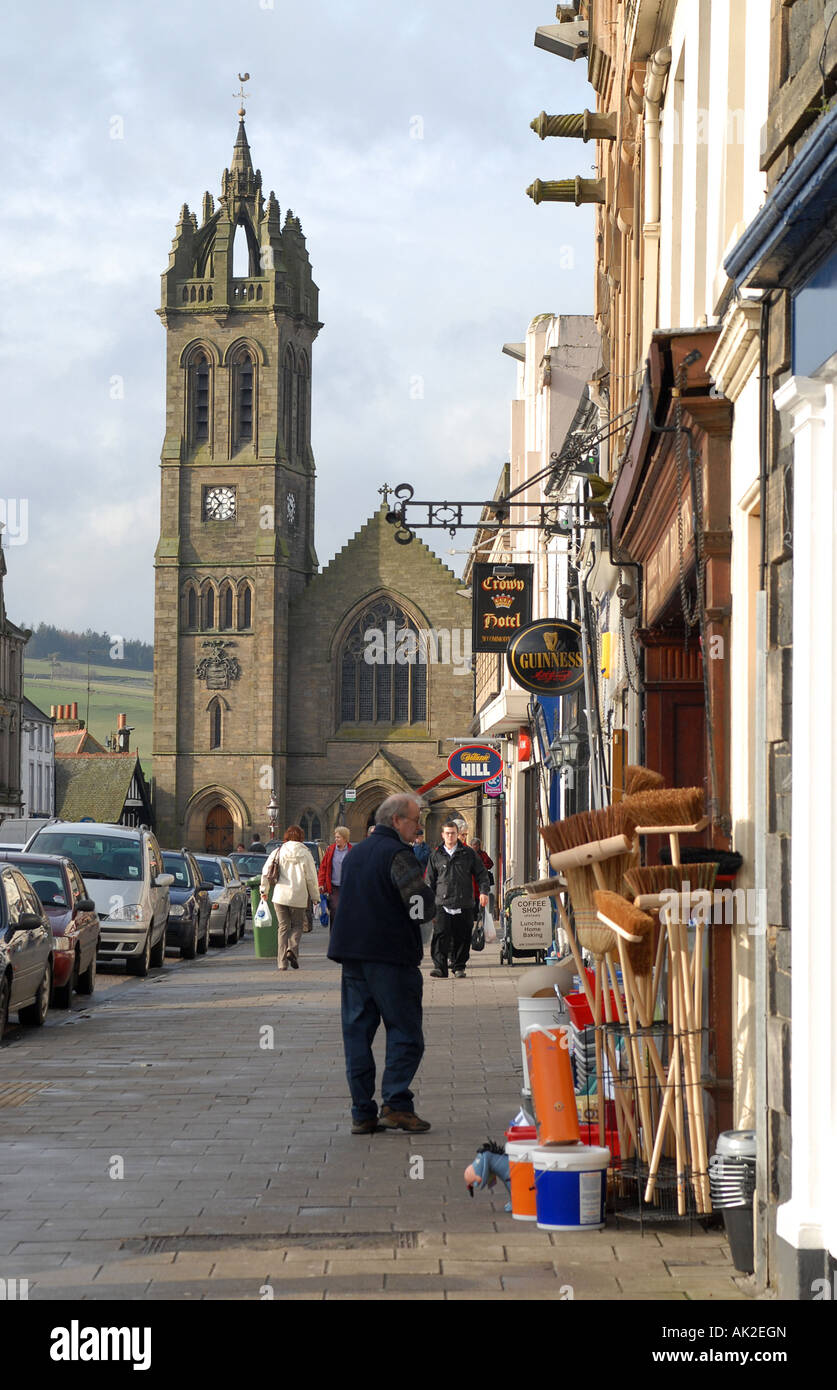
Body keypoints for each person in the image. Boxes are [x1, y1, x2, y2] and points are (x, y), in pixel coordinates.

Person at [327, 793, 436, 1134]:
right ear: (396, 821)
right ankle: (396, 1104)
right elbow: (417, 903)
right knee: (405, 1032)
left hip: (353, 957)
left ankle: (362, 1111)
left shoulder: (356, 854)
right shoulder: (398, 855)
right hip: (390, 957)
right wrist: (427, 907)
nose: (419, 826)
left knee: (357, 1035)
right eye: (415, 820)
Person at [425, 820, 490, 979]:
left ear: (457, 834)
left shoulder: (468, 853)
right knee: (441, 935)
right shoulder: (436, 855)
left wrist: (483, 892)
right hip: (442, 902)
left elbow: (482, 874)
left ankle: (459, 966)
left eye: (453, 833)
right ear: (442, 835)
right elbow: (429, 880)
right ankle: (440, 967)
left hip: (464, 901)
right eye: (447, 833)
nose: (450, 836)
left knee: (462, 936)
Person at [259, 825, 319, 971]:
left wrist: (264, 890)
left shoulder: (278, 851)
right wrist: (315, 896)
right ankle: (292, 949)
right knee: (298, 925)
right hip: (298, 896)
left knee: (283, 927)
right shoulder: (305, 853)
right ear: (301, 837)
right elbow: (311, 877)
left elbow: (266, 871)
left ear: (287, 836)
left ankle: (282, 962)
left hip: (280, 895)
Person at [318, 826, 352, 925]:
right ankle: (334, 935)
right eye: (335, 837)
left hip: (347, 887)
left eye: (338, 837)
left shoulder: (351, 851)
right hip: (334, 887)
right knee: (335, 909)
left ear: (345, 838)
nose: (336, 839)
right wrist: (321, 883)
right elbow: (323, 868)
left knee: (346, 911)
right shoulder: (330, 850)